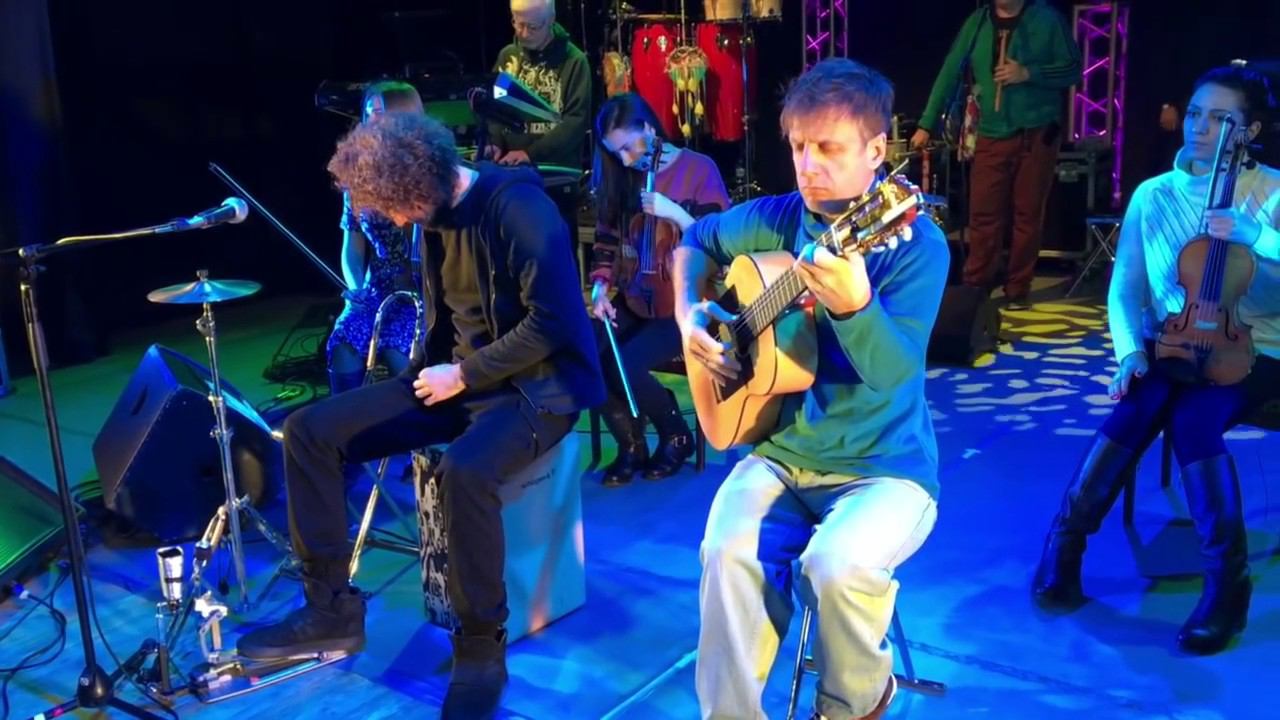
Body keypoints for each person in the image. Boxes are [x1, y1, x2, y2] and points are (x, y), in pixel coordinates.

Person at [236, 112, 605, 718]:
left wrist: (463, 374)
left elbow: (555, 323)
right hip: (454, 379)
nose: (398, 219)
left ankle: (480, 646)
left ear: (419, 180)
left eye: (396, 206)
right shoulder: (432, 217)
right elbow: (447, 318)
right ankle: (331, 610)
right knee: (309, 431)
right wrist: (432, 373)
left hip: (537, 390)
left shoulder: (519, 209)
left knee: (466, 471)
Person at [676, 58, 949, 720]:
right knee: (726, 552)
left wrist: (856, 307)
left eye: (828, 148)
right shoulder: (775, 219)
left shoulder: (914, 246)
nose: (807, 166)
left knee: (837, 565)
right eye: (799, 146)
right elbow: (694, 240)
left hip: (884, 469)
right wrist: (689, 314)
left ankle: (857, 701)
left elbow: (893, 373)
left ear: (877, 151)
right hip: (779, 453)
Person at [1032, 65, 1280, 656]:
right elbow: (1126, 291)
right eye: (1195, 114)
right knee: (1139, 401)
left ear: (1250, 130)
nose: (1200, 128)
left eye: (1220, 119)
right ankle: (1064, 546)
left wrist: (1258, 237)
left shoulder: (1273, 191)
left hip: (1261, 346)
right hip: (1173, 344)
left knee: (1192, 418)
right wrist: (1127, 354)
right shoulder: (1154, 195)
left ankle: (1227, 587)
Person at [588, 93, 730, 486]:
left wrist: (677, 214)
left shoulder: (699, 169)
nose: (624, 161)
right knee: (586, 352)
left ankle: (675, 433)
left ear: (649, 130)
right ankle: (631, 443)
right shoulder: (622, 175)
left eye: (627, 148)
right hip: (635, 292)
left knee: (628, 362)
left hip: (687, 299)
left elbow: (721, 245)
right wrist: (600, 287)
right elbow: (606, 240)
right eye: (615, 153)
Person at [911, 0, 1081, 309]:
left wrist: (1028, 73)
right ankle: (976, 288)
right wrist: (926, 123)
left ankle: (1018, 289)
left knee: (1027, 214)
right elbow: (950, 70)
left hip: (1037, 132)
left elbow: (1072, 70)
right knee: (983, 213)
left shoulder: (1046, 20)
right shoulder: (978, 22)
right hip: (991, 131)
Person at [327, 80, 424, 395]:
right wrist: (355, 288)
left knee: (397, 350)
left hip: (422, 288)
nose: (373, 120)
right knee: (344, 341)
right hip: (376, 287)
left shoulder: (428, 170)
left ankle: (415, 423)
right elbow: (352, 248)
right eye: (369, 113)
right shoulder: (358, 176)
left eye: (381, 112)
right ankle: (347, 420)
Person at [483, 0, 591, 169]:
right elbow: (495, 109)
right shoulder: (507, 56)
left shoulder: (575, 61)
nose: (525, 33)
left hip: (554, 168)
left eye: (533, 27)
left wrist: (530, 154)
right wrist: (495, 142)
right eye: (519, 24)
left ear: (551, 19)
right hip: (509, 164)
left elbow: (575, 123)